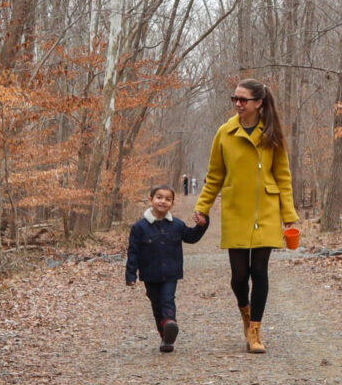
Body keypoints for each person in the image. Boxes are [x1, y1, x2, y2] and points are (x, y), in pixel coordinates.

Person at [193, 78, 298, 354]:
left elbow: (283, 177)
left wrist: (289, 214)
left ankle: (255, 331)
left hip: (266, 209)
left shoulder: (272, 133)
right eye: (235, 99)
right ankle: (245, 311)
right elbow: (214, 175)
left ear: (258, 103)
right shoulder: (224, 134)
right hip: (236, 210)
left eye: (243, 100)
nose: (238, 104)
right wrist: (202, 207)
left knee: (259, 271)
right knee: (239, 277)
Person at [125, 184, 208, 352]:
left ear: (172, 203)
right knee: (156, 304)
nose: (163, 201)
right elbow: (133, 252)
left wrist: (201, 225)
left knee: (167, 299)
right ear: (151, 200)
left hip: (171, 272)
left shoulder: (177, 225)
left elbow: (191, 238)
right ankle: (165, 335)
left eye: (168, 199)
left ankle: (170, 322)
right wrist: (131, 275)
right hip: (150, 274)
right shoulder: (140, 228)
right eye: (159, 197)